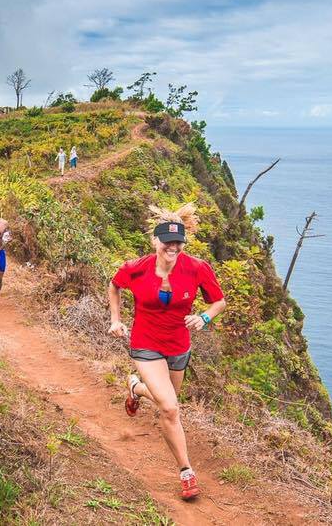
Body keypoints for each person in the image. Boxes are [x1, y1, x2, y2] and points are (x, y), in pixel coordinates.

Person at [106, 203, 226, 500]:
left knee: (166, 402)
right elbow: (114, 286)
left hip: (178, 347)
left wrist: (204, 317)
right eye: (167, 242)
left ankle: (135, 387)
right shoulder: (135, 268)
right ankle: (186, 472)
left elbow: (219, 302)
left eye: (178, 243)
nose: (173, 247)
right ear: (155, 242)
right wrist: (116, 320)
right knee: (171, 409)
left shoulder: (197, 268)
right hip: (145, 344)